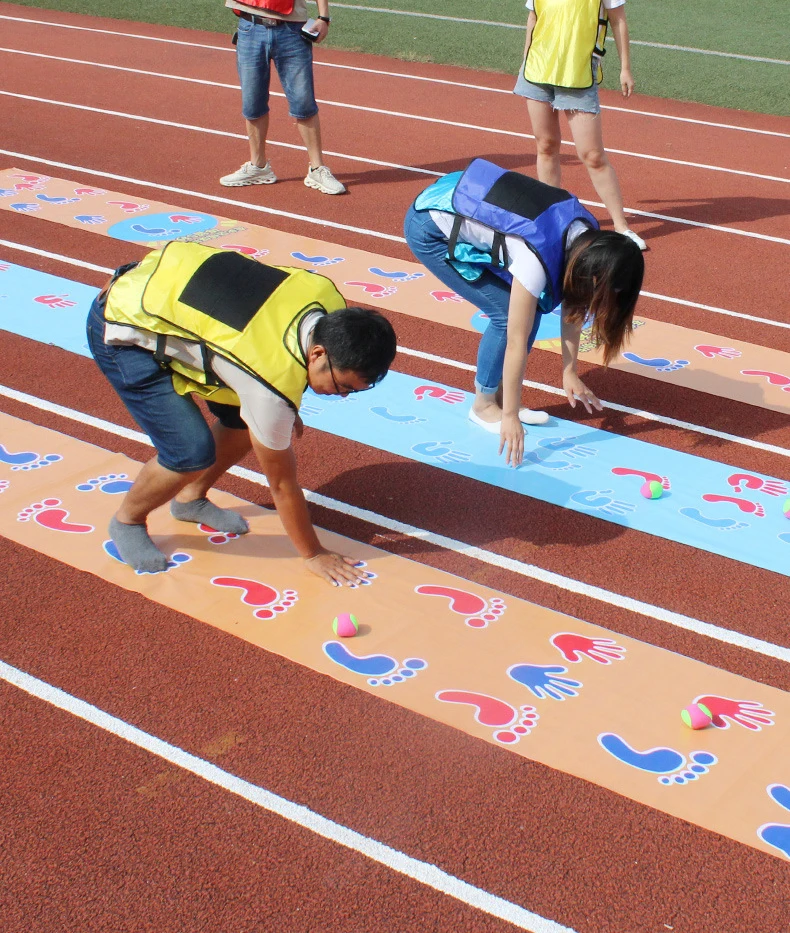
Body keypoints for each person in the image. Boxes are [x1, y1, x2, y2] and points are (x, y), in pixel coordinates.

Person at [87, 242, 396, 583]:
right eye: (342, 386)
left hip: (168, 290)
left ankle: (190, 499)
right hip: (123, 324)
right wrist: (313, 554)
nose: (343, 395)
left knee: (240, 421)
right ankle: (128, 520)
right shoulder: (269, 389)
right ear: (318, 353)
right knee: (189, 453)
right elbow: (282, 484)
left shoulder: (326, 300)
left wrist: (281, 405)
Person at [404, 158, 644, 467]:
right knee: (508, 316)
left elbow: (574, 303)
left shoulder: (588, 240)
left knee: (530, 310)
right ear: (592, 275)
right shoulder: (534, 258)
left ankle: (502, 397)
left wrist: (570, 371)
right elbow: (516, 340)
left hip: (462, 195)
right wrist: (510, 417)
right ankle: (484, 406)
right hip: (429, 224)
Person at [515, 0, 647, 251]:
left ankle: (621, 226)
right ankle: (552, 219)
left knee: (593, 155)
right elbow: (533, 17)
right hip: (537, 70)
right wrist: (525, 58)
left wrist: (625, 68)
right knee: (546, 145)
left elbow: (618, 20)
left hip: (578, 74)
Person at [220, 0, 345, 195]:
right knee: (252, 101)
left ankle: (317, 168)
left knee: (303, 102)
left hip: (291, 29)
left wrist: (324, 17)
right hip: (249, 26)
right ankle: (258, 166)